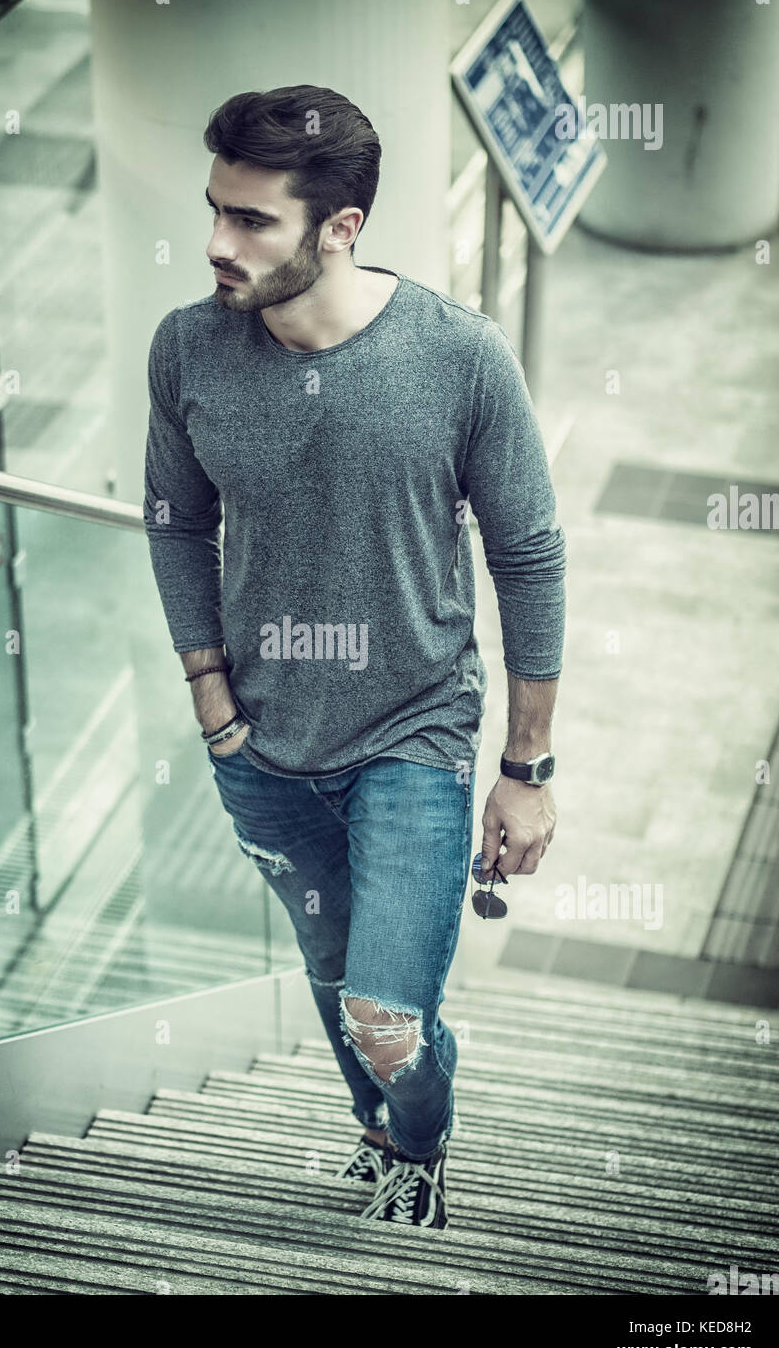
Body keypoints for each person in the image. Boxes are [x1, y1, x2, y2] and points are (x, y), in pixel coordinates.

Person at [143, 85, 565, 1230]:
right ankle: (382, 1129)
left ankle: (422, 1140)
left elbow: (529, 557)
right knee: (337, 987)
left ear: (341, 227)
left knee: (385, 1014)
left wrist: (526, 772)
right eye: (216, 211)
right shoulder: (188, 347)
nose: (220, 245)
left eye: (254, 221)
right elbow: (178, 522)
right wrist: (214, 704)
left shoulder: (460, 359)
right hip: (262, 753)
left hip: (412, 736)